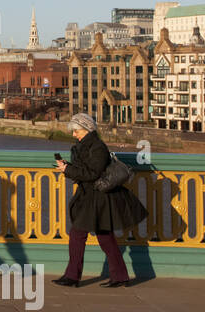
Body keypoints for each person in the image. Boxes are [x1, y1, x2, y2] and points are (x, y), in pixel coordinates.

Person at [53, 113, 148, 288]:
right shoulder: (85, 146)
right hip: (92, 197)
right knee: (105, 237)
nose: (74, 134)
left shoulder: (97, 147)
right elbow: (86, 170)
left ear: (87, 129)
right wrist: (68, 167)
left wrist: (68, 170)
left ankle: (73, 276)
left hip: (97, 198)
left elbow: (92, 174)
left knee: (79, 234)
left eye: (76, 130)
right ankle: (119, 276)